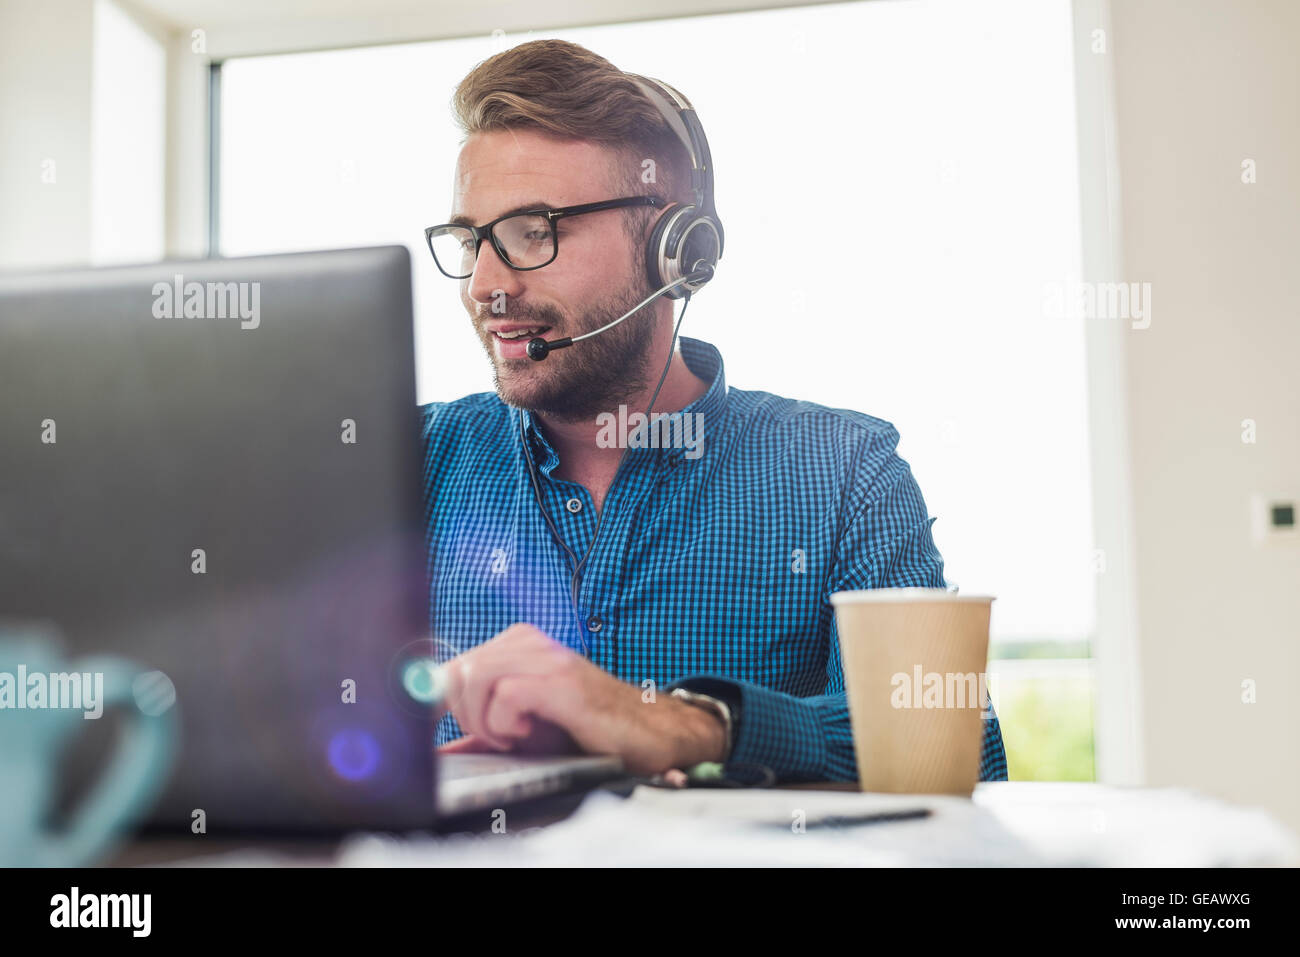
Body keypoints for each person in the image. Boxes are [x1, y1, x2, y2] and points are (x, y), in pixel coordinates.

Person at [421, 38, 1007, 783]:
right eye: (469, 240)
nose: (484, 284)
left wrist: (691, 726)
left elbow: (952, 751)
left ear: (676, 247)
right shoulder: (399, 462)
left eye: (534, 232)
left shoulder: (845, 471)